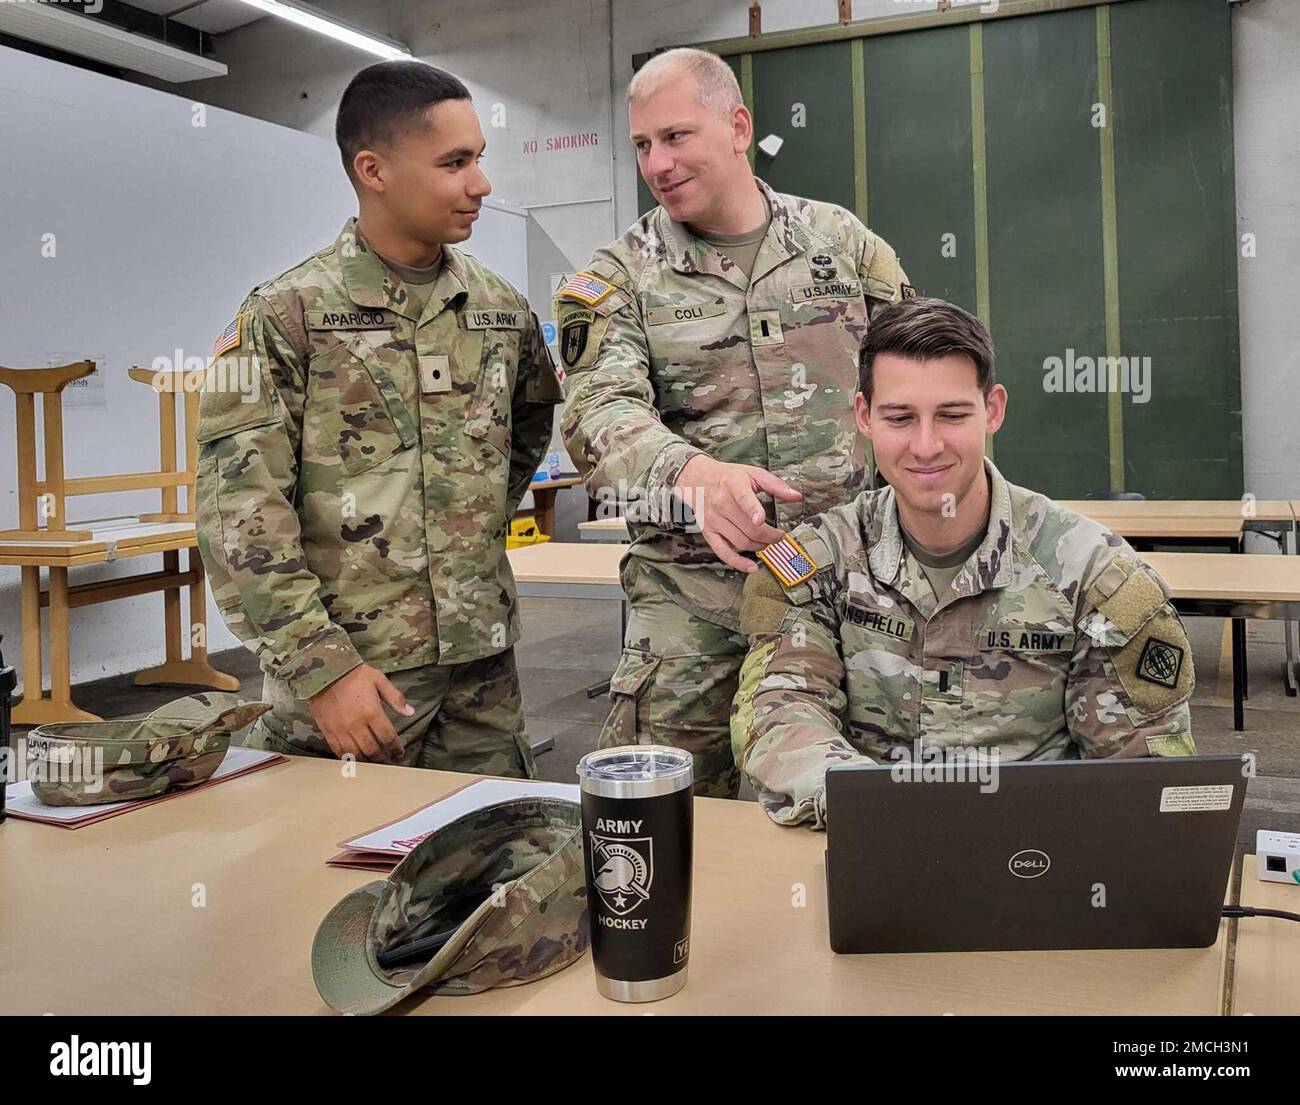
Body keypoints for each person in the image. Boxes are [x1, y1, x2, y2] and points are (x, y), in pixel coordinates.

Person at [555, 47, 913, 797]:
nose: (658, 163)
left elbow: (918, 374)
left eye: (677, 136)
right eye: (643, 145)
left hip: (844, 590)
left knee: (863, 825)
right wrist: (694, 475)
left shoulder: (840, 245)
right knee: (660, 832)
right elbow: (597, 413)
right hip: (692, 603)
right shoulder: (618, 277)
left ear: (738, 126)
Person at [195, 61, 561, 774]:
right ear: (373, 169)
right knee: (330, 872)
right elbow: (240, 513)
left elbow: (526, 432)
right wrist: (321, 668)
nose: (480, 183)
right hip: (353, 681)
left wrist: (462, 538)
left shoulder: (499, 309)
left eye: (478, 159)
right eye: (454, 162)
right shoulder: (286, 316)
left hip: (481, 677)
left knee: (495, 869)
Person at [731, 297, 1196, 828]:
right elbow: (780, 710)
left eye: (952, 415)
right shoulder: (820, 561)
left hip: (1038, 862)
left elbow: (1146, 776)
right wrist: (881, 811)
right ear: (864, 416)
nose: (926, 446)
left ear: (993, 409)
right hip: (867, 845)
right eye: (900, 417)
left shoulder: (1092, 573)